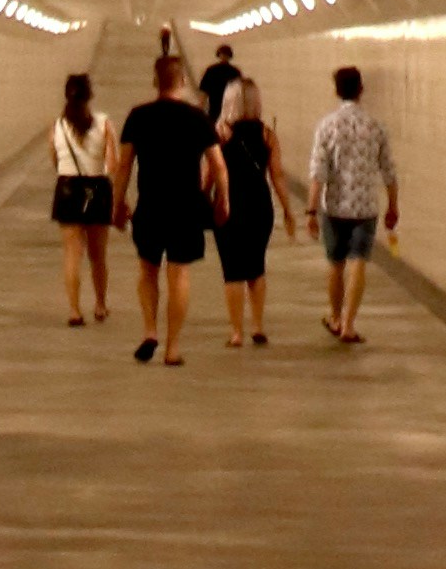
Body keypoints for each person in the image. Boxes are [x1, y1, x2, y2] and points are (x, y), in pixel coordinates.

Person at [115, 30, 214, 368]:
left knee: (147, 269)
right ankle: (172, 348)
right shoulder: (197, 118)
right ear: (182, 81)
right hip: (186, 207)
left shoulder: (138, 116)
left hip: (151, 205)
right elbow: (219, 166)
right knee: (179, 275)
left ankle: (149, 331)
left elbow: (123, 165)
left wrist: (117, 203)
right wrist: (222, 199)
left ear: (154, 81)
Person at [304, 63, 397, 344]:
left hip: (334, 207)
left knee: (336, 264)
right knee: (359, 262)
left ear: (337, 91)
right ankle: (349, 324)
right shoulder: (376, 126)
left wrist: (310, 210)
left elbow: (318, 172)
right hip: (365, 207)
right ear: (360, 90)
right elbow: (389, 171)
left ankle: (334, 316)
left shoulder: (327, 125)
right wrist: (393, 206)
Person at [207, 63, 294, 346]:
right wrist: (289, 211)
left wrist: (199, 203)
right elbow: (277, 176)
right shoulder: (268, 135)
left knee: (232, 270)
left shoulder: (218, 135)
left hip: (227, 205)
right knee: (256, 267)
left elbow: (206, 176)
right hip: (260, 206)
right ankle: (257, 325)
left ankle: (236, 332)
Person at [48, 69, 115, 324]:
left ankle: (75, 310)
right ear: (90, 96)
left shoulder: (57, 126)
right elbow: (113, 162)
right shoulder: (104, 123)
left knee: (71, 254)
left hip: (67, 189)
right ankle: (100, 305)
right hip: (97, 189)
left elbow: (55, 159)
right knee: (98, 255)